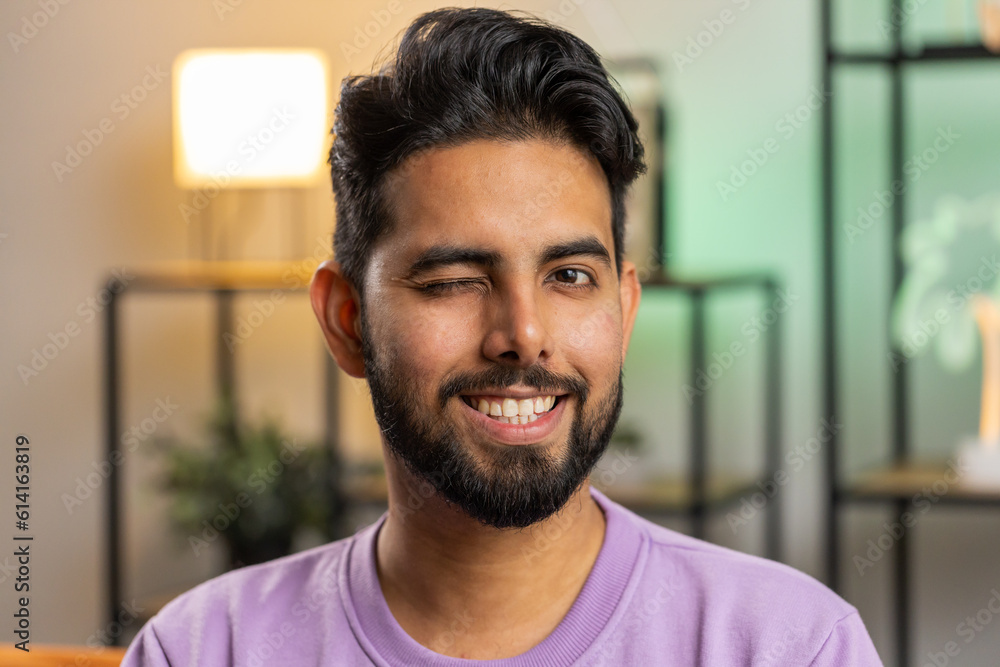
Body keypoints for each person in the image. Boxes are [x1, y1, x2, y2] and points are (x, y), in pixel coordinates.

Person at [122, 7, 882, 665]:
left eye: (570, 276)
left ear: (624, 309)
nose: (522, 334)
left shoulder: (791, 647)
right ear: (346, 320)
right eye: (454, 281)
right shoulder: (197, 650)